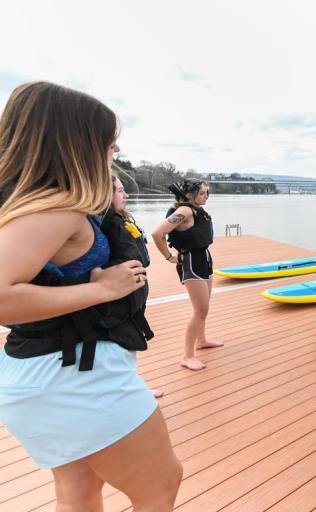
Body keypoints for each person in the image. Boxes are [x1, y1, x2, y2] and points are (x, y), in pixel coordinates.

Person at [0, 82, 181, 510]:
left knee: (78, 489)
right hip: (74, 376)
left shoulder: (32, 203)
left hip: (45, 370)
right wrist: (99, 289)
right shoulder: (57, 207)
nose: (115, 148)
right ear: (73, 142)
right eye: (107, 140)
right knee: (161, 485)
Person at [152, 178, 221, 371]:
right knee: (200, 310)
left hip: (204, 257)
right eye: (202, 193)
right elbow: (158, 234)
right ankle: (187, 356)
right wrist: (168, 257)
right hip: (191, 260)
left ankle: (202, 340)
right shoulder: (184, 211)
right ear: (189, 195)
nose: (206, 196)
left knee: (204, 307)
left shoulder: (195, 209)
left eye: (208, 193)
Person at [106, 173, 165, 398]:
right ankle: (128, 392)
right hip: (116, 304)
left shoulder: (120, 219)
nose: (126, 194)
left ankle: (133, 386)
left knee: (128, 348)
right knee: (119, 350)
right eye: (120, 191)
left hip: (132, 301)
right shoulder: (100, 226)